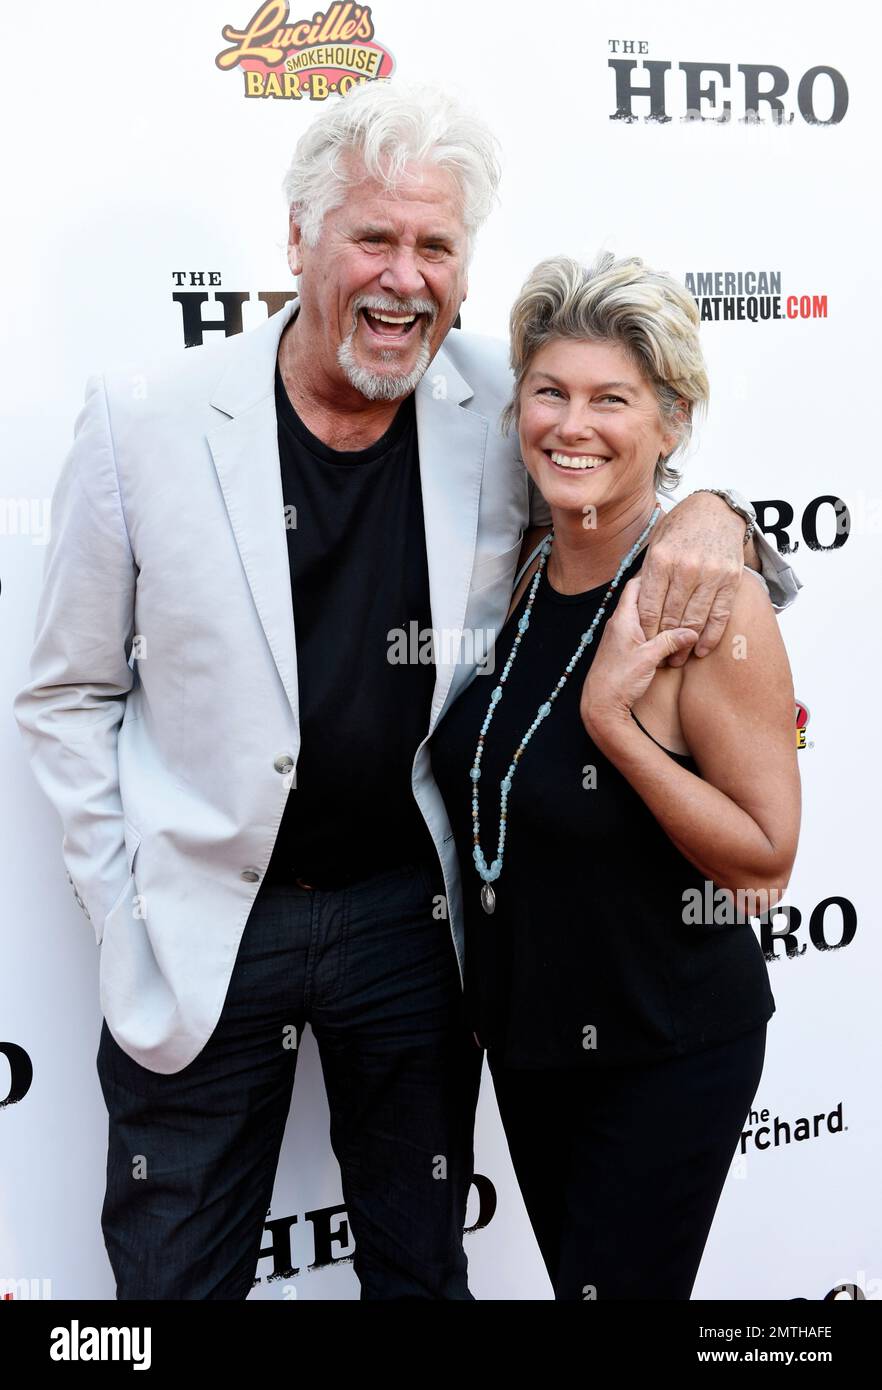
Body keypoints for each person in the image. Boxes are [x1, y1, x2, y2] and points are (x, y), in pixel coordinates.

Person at [12, 82, 799, 1300]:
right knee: (171, 1279)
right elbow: (64, 692)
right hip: (209, 915)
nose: (403, 277)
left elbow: (624, 459)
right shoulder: (143, 423)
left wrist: (717, 510)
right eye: (372, 236)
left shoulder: (496, 396)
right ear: (296, 239)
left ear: (464, 268)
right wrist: (122, 904)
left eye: (435, 245)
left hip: (411, 924)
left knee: (422, 1271)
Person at [430, 251, 801, 1300]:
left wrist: (616, 729)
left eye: (611, 400)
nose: (571, 424)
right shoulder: (515, 570)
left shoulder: (709, 605)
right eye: (549, 391)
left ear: (671, 423)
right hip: (531, 1041)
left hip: (663, 1049)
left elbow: (767, 859)